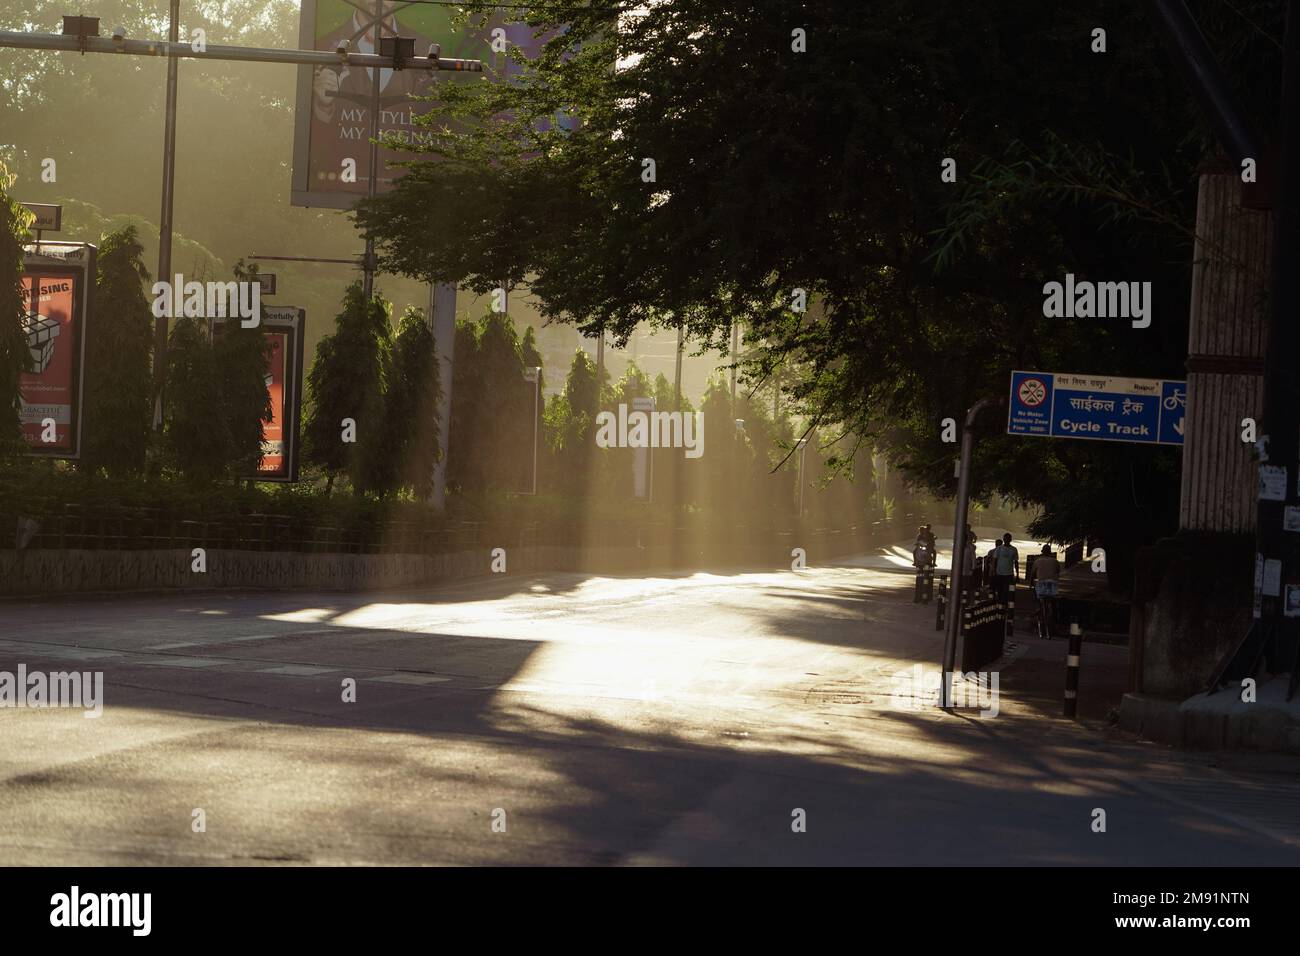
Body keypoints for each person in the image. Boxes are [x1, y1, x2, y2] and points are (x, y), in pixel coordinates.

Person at [990, 532, 1020, 606]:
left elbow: (1016, 562)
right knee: (999, 589)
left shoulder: (1014, 549)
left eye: (1008, 539)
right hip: (999, 573)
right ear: (1003, 539)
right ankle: (1000, 603)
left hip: (1009, 573)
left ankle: (1004, 604)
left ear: (1010, 540)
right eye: (1005, 539)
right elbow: (994, 561)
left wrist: (1017, 574)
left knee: (1007, 590)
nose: (1006, 540)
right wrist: (993, 571)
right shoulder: (999, 549)